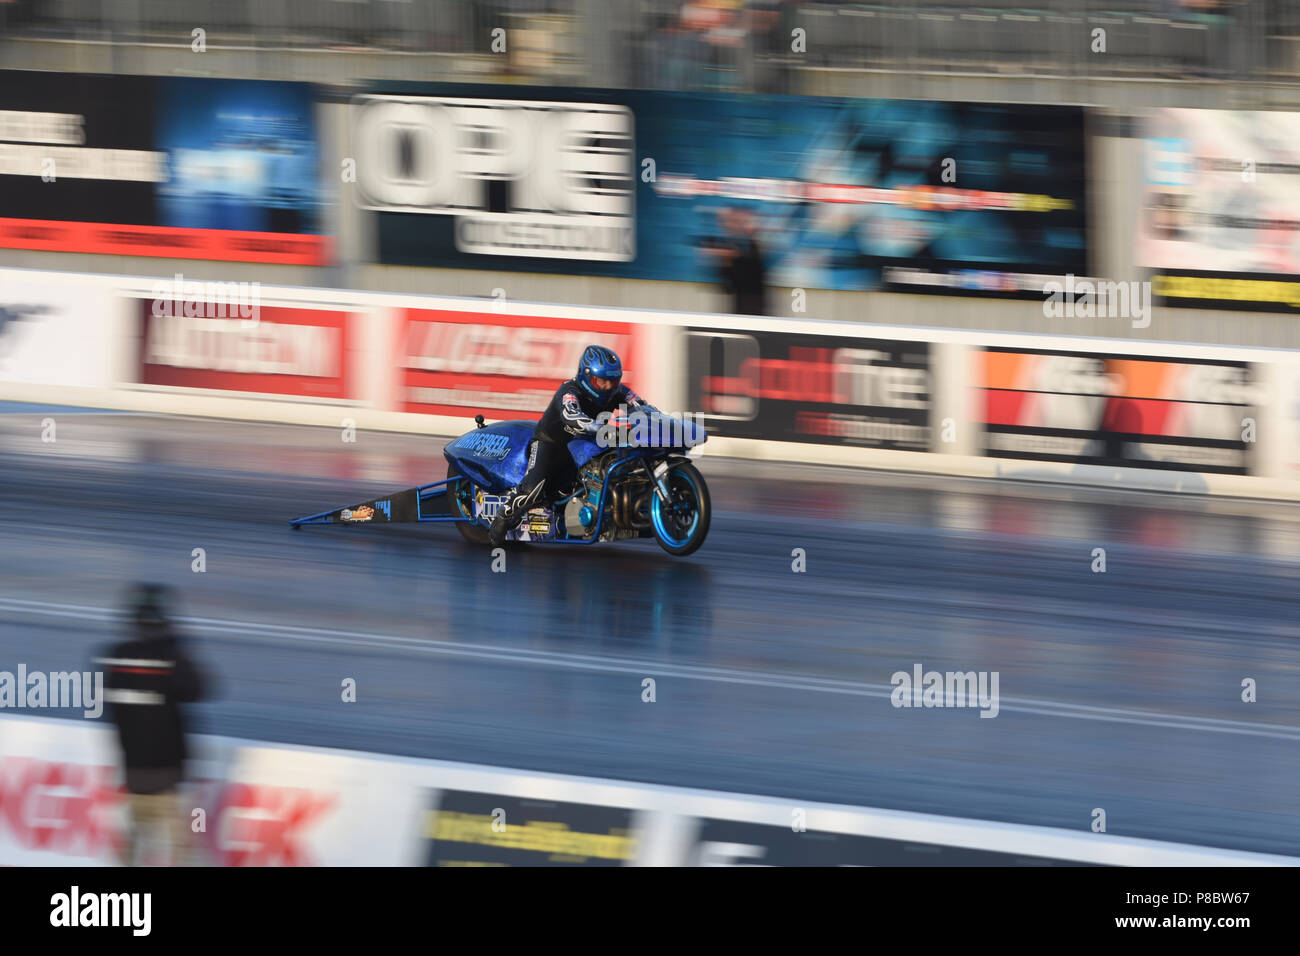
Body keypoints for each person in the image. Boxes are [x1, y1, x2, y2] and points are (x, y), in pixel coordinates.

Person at [488, 345, 657, 546]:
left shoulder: (618, 392)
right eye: (600, 381)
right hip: (552, 444)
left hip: (586, 445)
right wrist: (604, 425)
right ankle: (501, 520)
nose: (607, 386)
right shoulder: (569, 391)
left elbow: (645, 408)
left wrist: (654, 419)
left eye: (613, 381)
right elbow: (572, 416)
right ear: (586, 377)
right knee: (533, 488)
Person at [97, 583, 207, 866]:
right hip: (168, 772)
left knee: (132, 839)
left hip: (132, 769)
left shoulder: (113, 656)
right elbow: (197, 689)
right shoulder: (171, 658)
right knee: (179, 846)